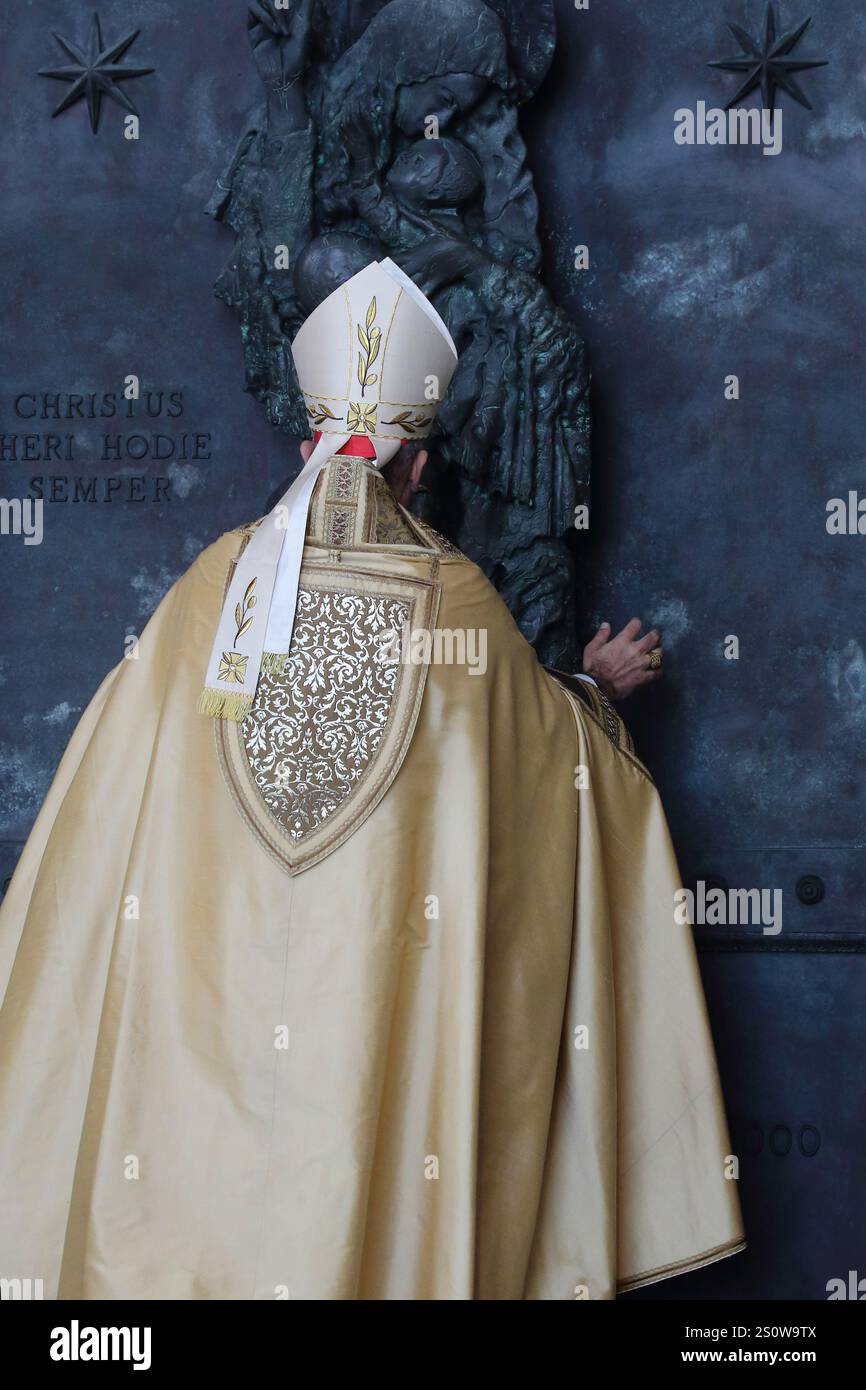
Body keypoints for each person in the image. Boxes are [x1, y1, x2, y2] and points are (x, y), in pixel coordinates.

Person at [0, 261, 743, 1299]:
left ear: (311, 445)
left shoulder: (214, 586)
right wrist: (593, 688)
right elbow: (545, 778)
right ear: (418, 468)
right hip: (376, 1055)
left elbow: (107, 794)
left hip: (198, 1032)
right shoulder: (458, 602)